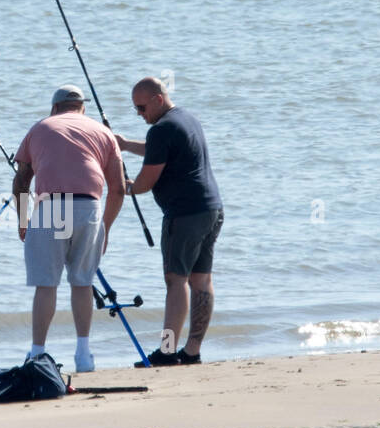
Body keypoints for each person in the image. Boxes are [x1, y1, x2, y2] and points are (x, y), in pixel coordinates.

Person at [12, 84, 125, 372]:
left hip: (49, 208)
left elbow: (22, 180)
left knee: (46, 284)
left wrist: (23, 219)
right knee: (83, 282)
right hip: (89, 207)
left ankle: (38, 353)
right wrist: (106, 229)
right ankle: (83, 355)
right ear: (82, 108)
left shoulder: (40, 128)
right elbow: (119, 189)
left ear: (54, 108)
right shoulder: (103, 133)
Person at [115, 76, 223, 366]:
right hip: (210, 209)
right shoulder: (186, 118)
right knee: (201, 281)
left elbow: (145, 182)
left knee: (175, 281)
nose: (139, 114)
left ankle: (166, 351)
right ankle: (192, 351)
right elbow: (160, 149)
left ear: (158, 100)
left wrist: (124, 186)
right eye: (135, 109)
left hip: (184, 215)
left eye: (141, 108)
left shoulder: (161, 130)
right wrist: (125, 145)